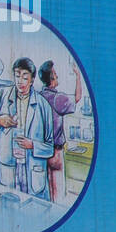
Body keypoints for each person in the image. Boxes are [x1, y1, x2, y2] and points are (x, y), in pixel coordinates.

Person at [0, 57, 54, 199]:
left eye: (25, 77)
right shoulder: (2, 95)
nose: (20, 81)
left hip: (32, 171)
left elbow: (50, 148)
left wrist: (32, 145)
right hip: (8, 166)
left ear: (32, 80)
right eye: (17, 76)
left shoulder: (43, 106)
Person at [38, 59, 82, 202]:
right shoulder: (58, 98)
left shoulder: (38, 97)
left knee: (43, 193)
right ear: (52, 78)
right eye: (55, 74)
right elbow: (77, 98)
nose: (57, 76)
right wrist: (78, 76)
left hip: (39, 151)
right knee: (57, 196)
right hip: (55, 152)